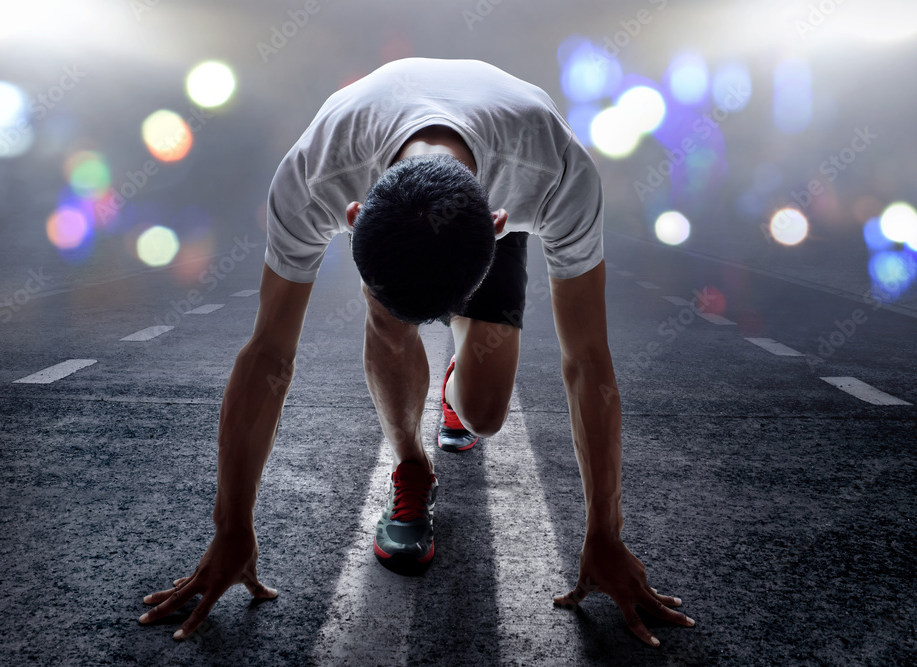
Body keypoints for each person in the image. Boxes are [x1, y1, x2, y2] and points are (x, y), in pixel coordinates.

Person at [139, 57, 695, 647]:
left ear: (501, 225)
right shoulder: (314, 174)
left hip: (489, 190)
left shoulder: (554, 171)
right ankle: (411, 464)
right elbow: (268, 354)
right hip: (410, 196)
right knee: (388, 320)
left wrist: (605, 533)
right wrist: (230, 528)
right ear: (352, 219)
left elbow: (588, 359)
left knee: (485, 414)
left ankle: (460, 389)